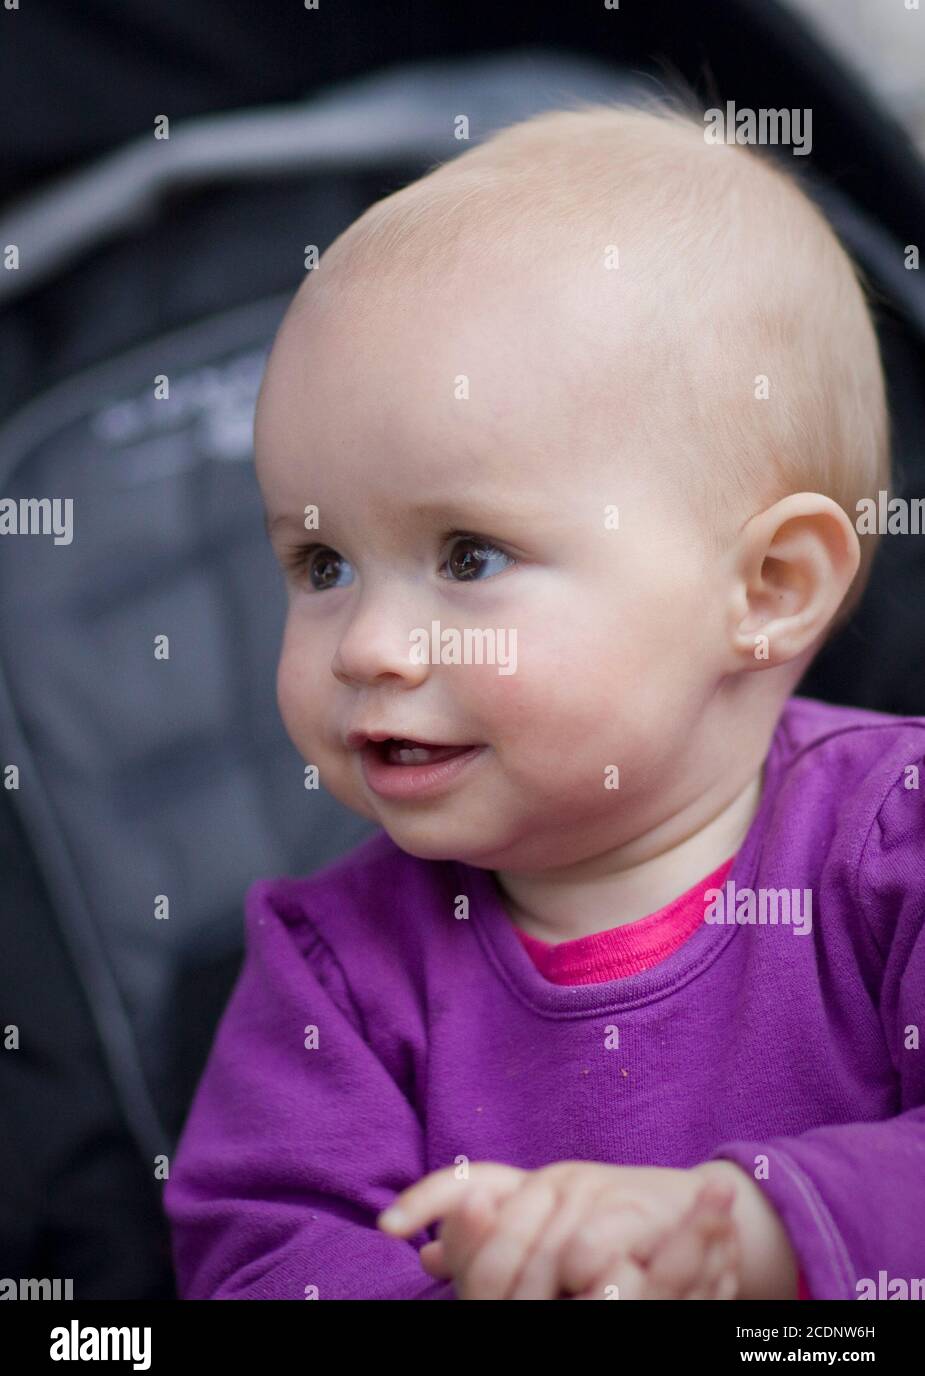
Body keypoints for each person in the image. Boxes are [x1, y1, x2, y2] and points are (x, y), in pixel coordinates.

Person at [162, 100, 925, 1299]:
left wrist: (748, 1231)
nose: (366, 645)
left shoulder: (894, 848)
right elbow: (261, 1257)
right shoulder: (333, 974)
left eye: (468, 555)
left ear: (768, 587)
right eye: (320, 565)